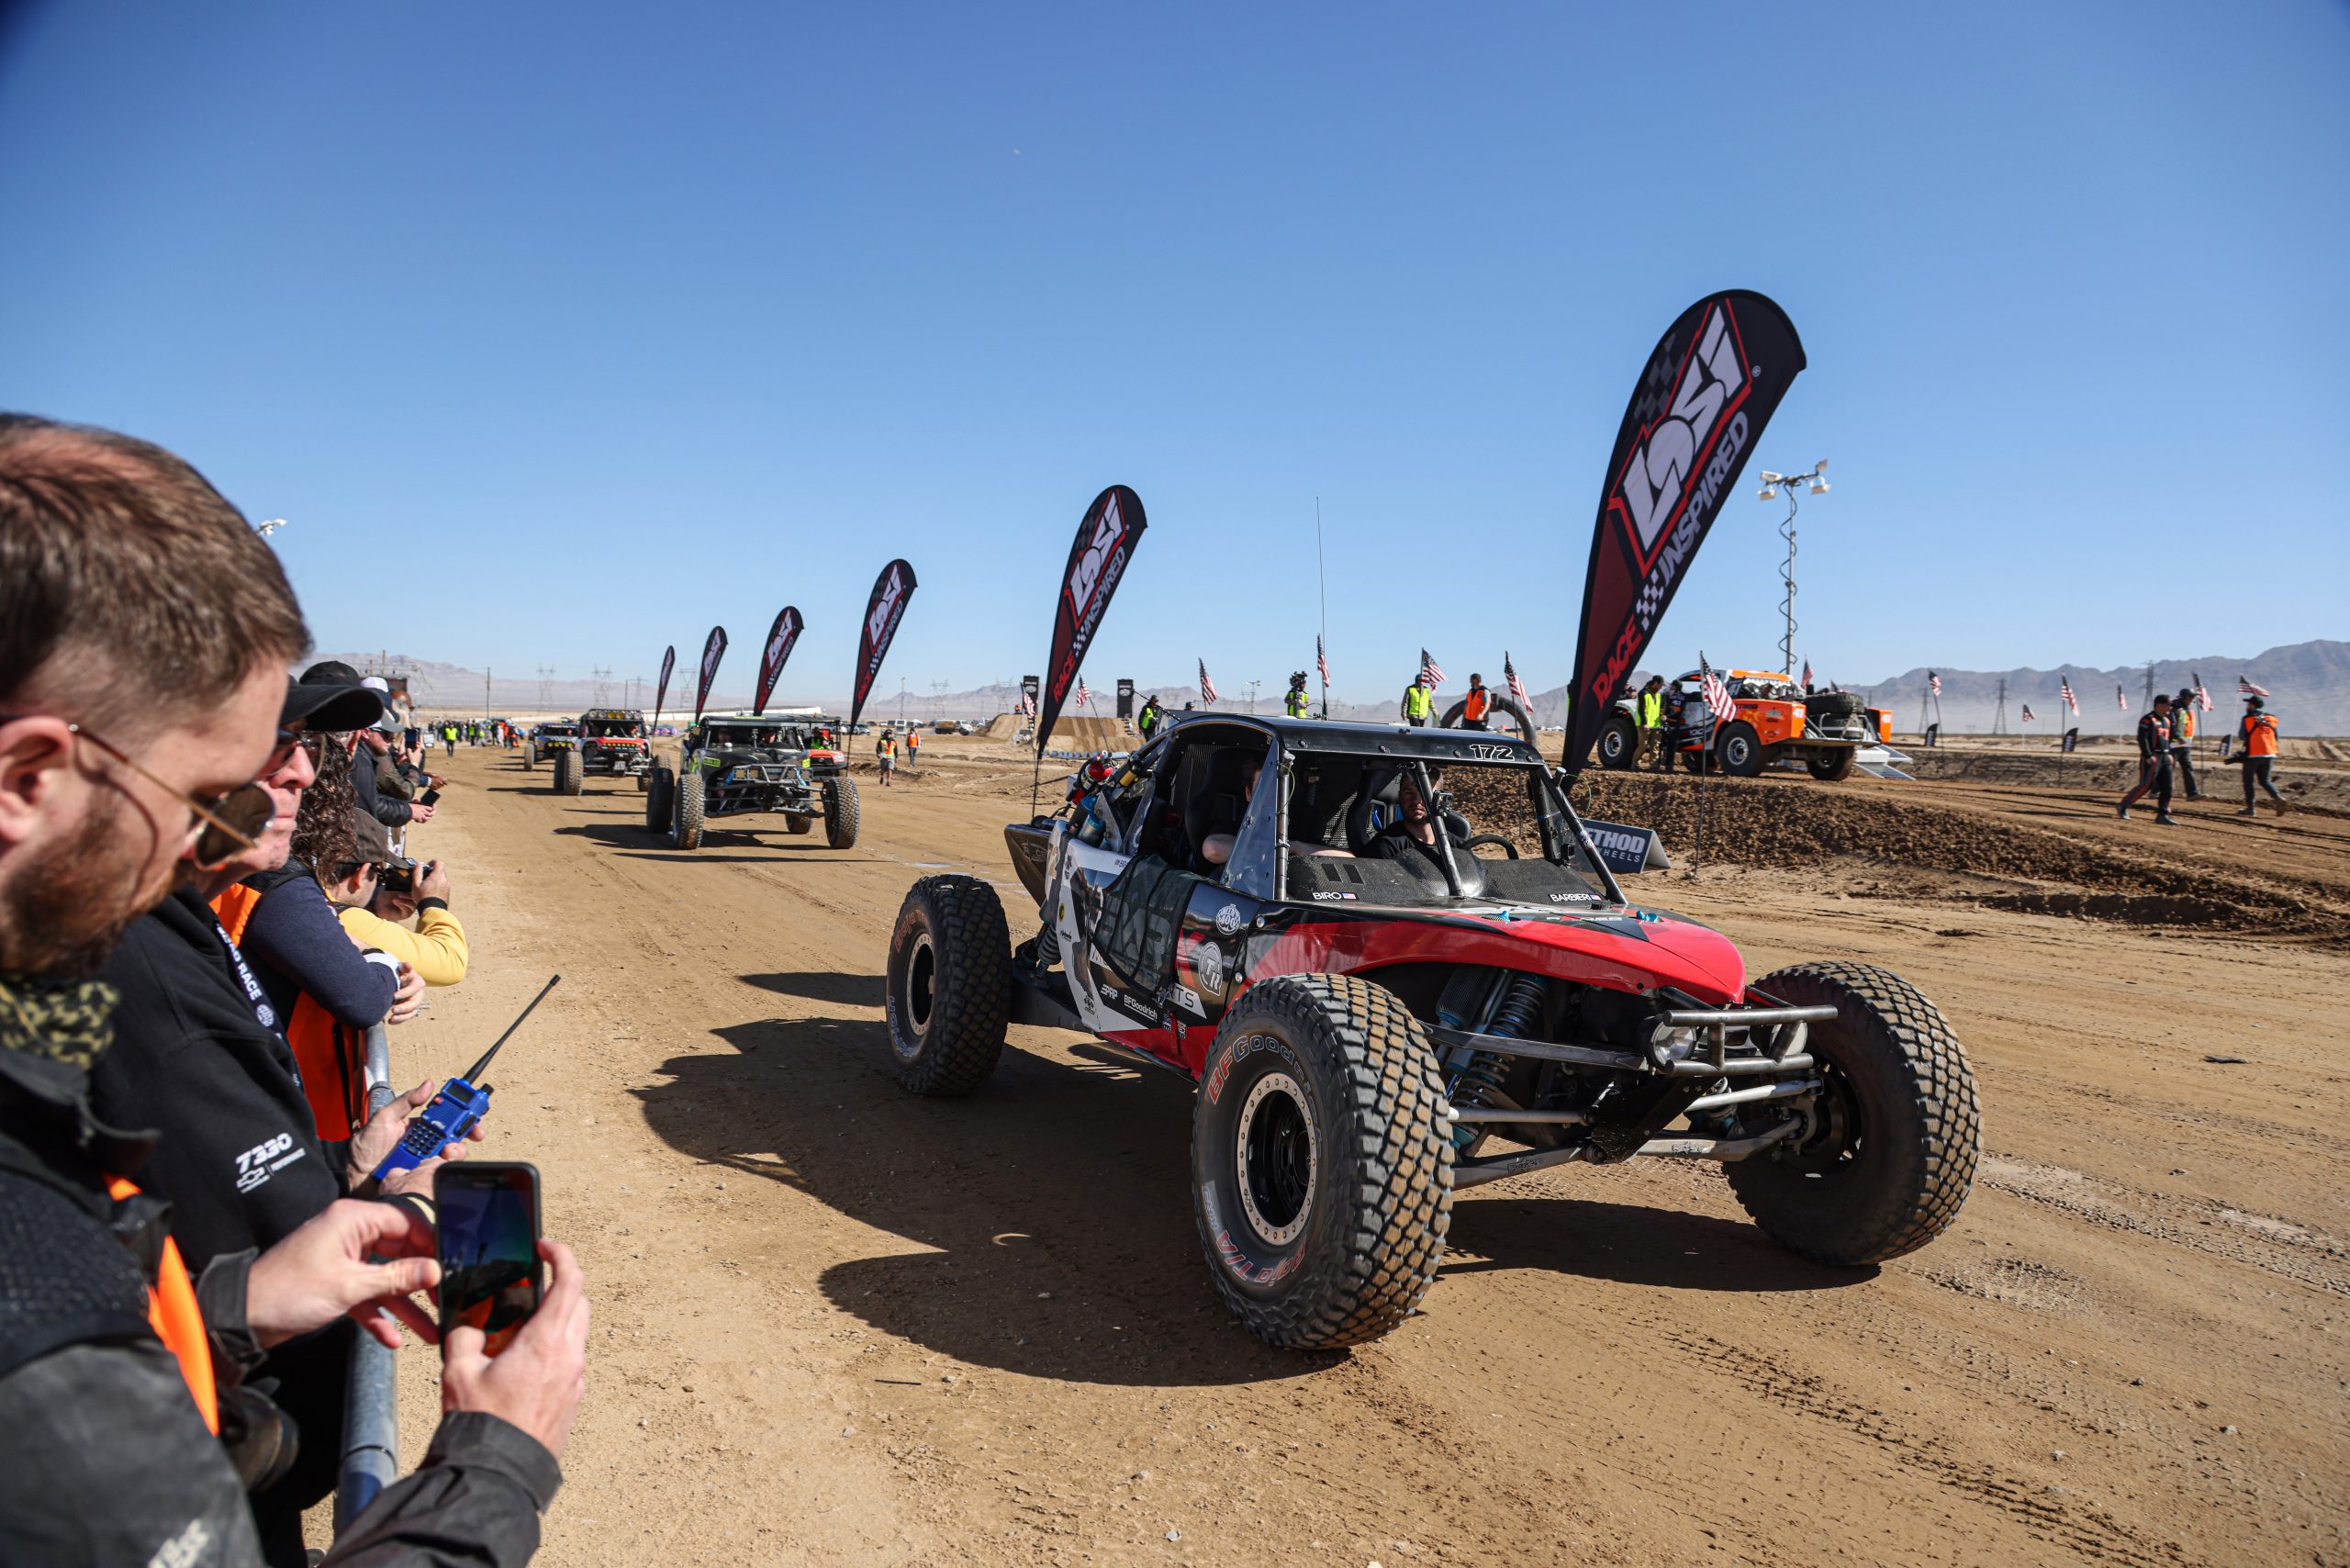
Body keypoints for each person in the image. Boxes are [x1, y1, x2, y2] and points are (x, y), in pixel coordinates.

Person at [0, 413, 585, 1564]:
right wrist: (495, 1457)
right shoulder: (38, 1342)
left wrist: (235, 1300)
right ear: (30, 780)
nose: (263, 811)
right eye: (211, 794)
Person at [2117, 694, 2177, 824]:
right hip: (2153, 758)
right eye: (2168, 705)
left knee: (2169, 787)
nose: (2170, 707)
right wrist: (2148, 755)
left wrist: (2171, 753)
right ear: (2159, 705)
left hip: (2166, 757)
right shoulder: (2147, 720)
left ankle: (2163, 815)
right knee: (2146, 785)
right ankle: (2123, 806)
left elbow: (2170, 738)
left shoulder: (2167, 720)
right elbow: (2142, 739)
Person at [2236, 694, 2288, 816]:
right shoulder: (2271, 718)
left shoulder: (2247, 718)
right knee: (2264, 780)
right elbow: (2276, 736)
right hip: (2269, 753)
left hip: (2253, 754)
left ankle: (2250, 808)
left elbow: (2242, 736)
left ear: (2253, 705)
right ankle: (2278, 798)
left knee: (2248, 781)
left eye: (2249, 704)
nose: (2247, 706)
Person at [2169, 689, 2202, 801]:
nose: (2193, 699)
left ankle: (2192, 793)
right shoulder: (2175, 709)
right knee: (2168, 769)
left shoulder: (2188, 710)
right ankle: (2155, 790)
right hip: (2174, 745)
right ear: (2185, 697)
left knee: (2188, 769)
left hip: (2185, 745)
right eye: (2191, 697)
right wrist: (2178, 737)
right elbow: (2172, 726)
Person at [1636, 676, 1668, 769]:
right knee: (1643, 745)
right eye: (1660, 685)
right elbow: (1641, 710)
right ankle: (1635, 764)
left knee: (1655, 746)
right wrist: (1645, 723)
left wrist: (1662, 716)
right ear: (1655, 683)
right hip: (1643, 724)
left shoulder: (1658, 696)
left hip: (1655, 725)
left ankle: (1654, 766)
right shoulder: (1643, 693)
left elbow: (1659, 710)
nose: (1661, 688)